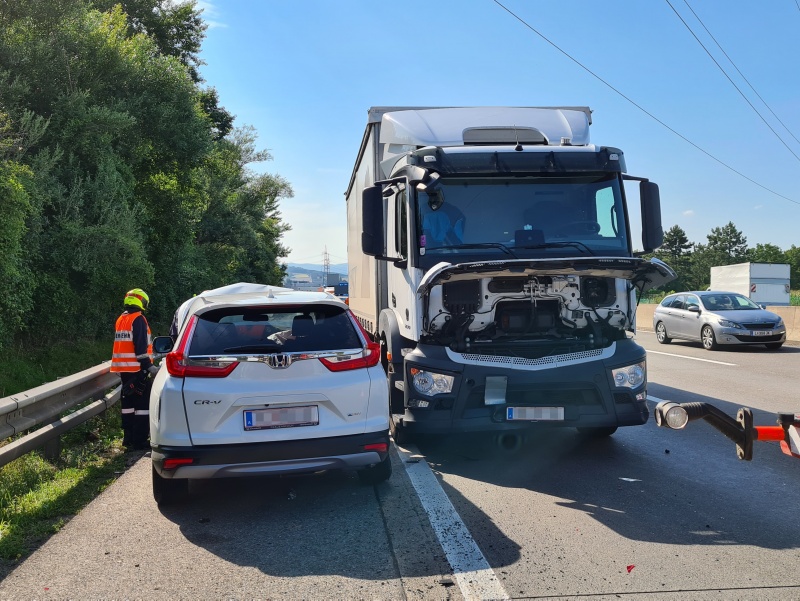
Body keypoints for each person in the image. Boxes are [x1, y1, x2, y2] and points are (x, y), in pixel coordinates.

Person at [110, 288, 156, 450]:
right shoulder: (138, 319)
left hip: (124, 370)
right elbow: (140, 346)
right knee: (142, 406)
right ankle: (140, 440)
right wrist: (148, 366)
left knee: (128, 405)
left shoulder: (121, 319)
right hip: (138, 370)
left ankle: (128, 438)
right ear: (142, 302)